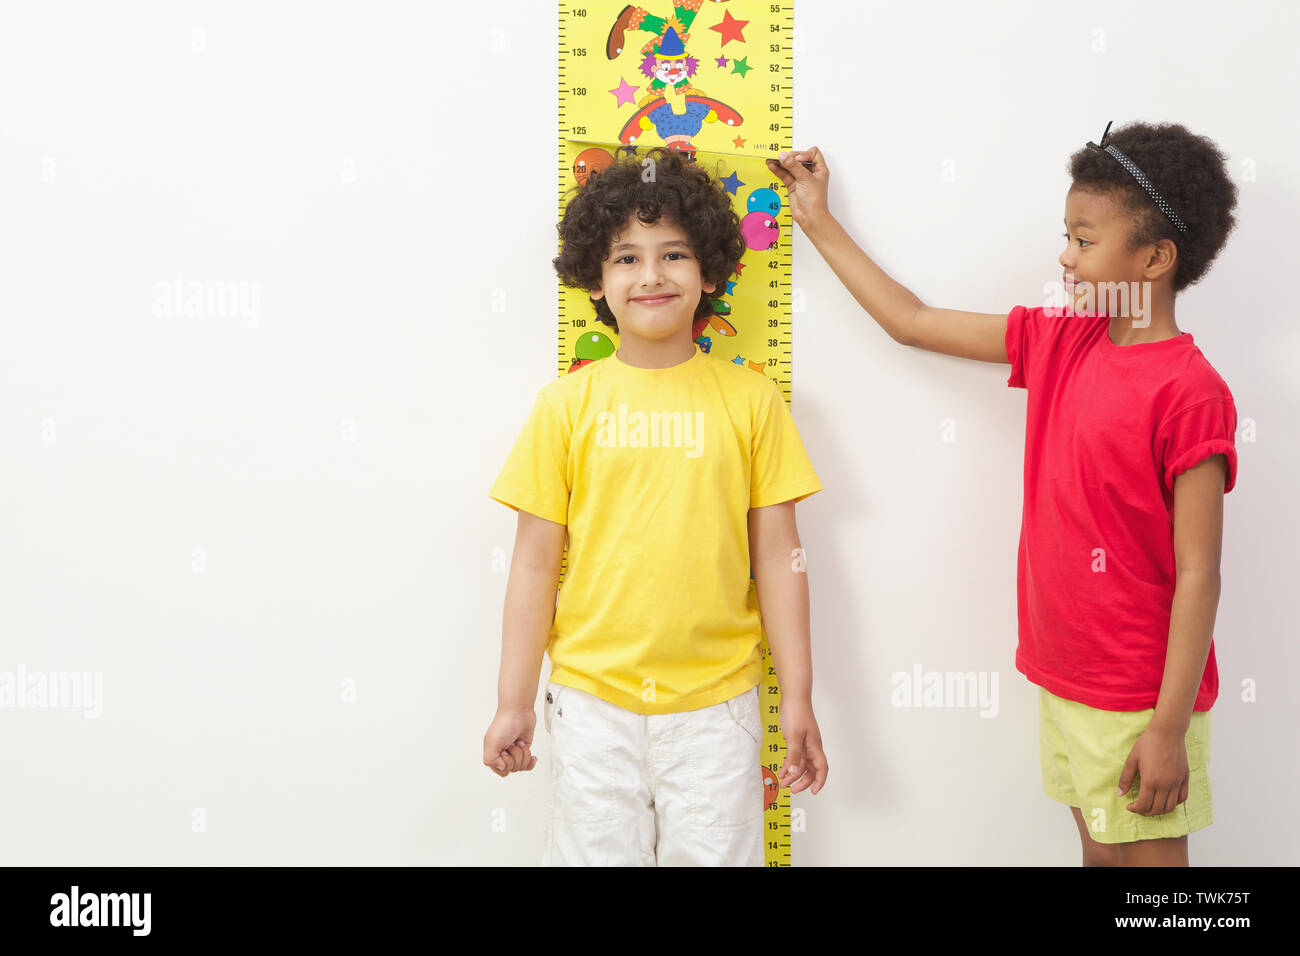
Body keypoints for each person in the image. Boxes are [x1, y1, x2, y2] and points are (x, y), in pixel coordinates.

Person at [768, 120, 1239, 866]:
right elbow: (912, 321)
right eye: (1067, 234)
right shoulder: (1064, 339)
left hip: (1140, 696)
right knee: (1098, 853)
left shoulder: (1190, 392)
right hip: (1064, 673)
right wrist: (818, 220)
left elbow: (1200, 572)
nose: (1064, 255)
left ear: (1154, 258)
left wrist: (1168, 727)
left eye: (1084, 240)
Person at [483, 147, 827, 866]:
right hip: (590, 702)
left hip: (718, 706)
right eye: (626, 258)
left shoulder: (751, 403)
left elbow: (780, 558)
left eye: (673, 254)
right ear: (597, 282)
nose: (651, 275)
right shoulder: (565, 407)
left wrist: (797, 695)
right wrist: (514, 701)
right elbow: (534, 564)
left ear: (707, 274)